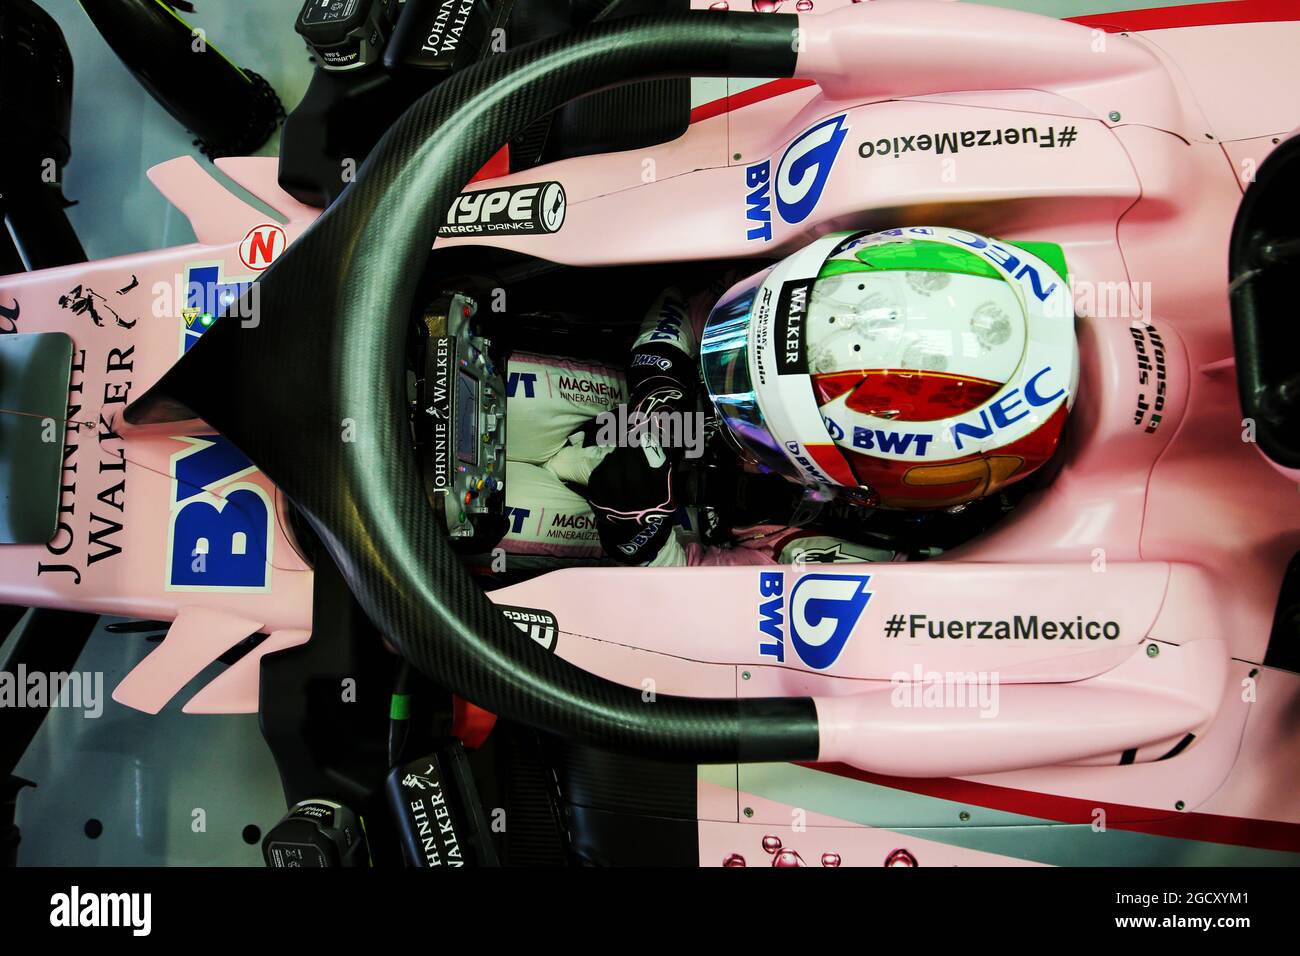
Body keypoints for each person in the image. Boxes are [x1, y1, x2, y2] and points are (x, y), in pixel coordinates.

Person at [498, 226, 1078, 568]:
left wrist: (638, 531)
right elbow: (703, 299)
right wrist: (661, 369)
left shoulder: (863, 554)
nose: (727, 398)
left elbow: (703, 604)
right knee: (494, 385)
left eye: (756, 418)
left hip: (676, 523)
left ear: (864, 489)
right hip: (618, 416)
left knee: (465, 512)